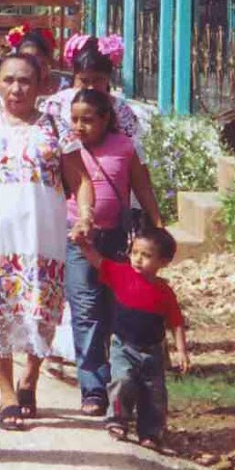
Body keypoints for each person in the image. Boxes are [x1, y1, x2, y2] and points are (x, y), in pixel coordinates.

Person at [0, 53, 93, 431]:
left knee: (41, 313)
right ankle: (7, 394)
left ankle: (31, 376)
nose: (15, 89)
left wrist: (86, 215)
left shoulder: (56, 128)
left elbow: (81, 180)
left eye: (24, 81)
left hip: (43, 235)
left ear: (40, 85)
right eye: (8, 80)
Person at [63, 87, 164, 417]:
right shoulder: (67, 147)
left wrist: (158, 226)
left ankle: (121, 381)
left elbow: (141, 186)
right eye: (75, 119)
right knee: (85, 309)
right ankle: (93, 386)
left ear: (106, 119)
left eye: (88, 120)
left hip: (117, 241)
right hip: (80, 240)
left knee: (114, 311)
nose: (80, 127)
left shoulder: (123, 147)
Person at [71, 223, 190, 447]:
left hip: (153, 351)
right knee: (122, 380)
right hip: (123, 346)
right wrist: (83, 245)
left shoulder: (164, 292)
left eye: (146, 255)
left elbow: (176, 322)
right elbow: (98, 261)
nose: (137, 259)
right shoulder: (121, 274)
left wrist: (181, 351)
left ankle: (151, 433)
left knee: (153, 393)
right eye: (134, 252)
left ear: (163, 262)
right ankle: (118, 419)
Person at [40, 35, 145, 154]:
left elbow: (134, 152)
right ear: (74, 76)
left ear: (108, 78)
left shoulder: (121, 112)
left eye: (98, 80)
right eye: (84, 81)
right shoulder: (55, 107)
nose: (91, 87)